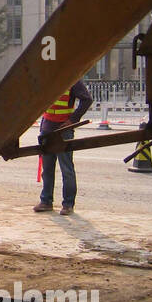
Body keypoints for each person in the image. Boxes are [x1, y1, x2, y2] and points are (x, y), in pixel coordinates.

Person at [33, 79, 93, 215]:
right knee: (47, 168)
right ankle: (46, 201)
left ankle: (68, 204)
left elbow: (87, 100)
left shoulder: (72, 79)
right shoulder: (47, 80)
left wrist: (72, 120)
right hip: (47, 128)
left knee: (66, 169)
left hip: (63, 130)